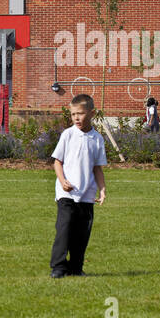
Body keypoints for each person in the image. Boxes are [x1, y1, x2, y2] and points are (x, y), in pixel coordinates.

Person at [50, 93, 107, 278]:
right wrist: (62, 180)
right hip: (66, 194)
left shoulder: (97, 139)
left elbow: (97, 168)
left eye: (80, 114)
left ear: (92, 113)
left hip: (87, 194)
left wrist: (102, 189)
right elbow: (57, 162)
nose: (76, 118)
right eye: (73, 114)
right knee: (64, 229)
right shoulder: (68, 135)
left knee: (82, 233)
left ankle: (76, 268)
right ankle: (58, 267)